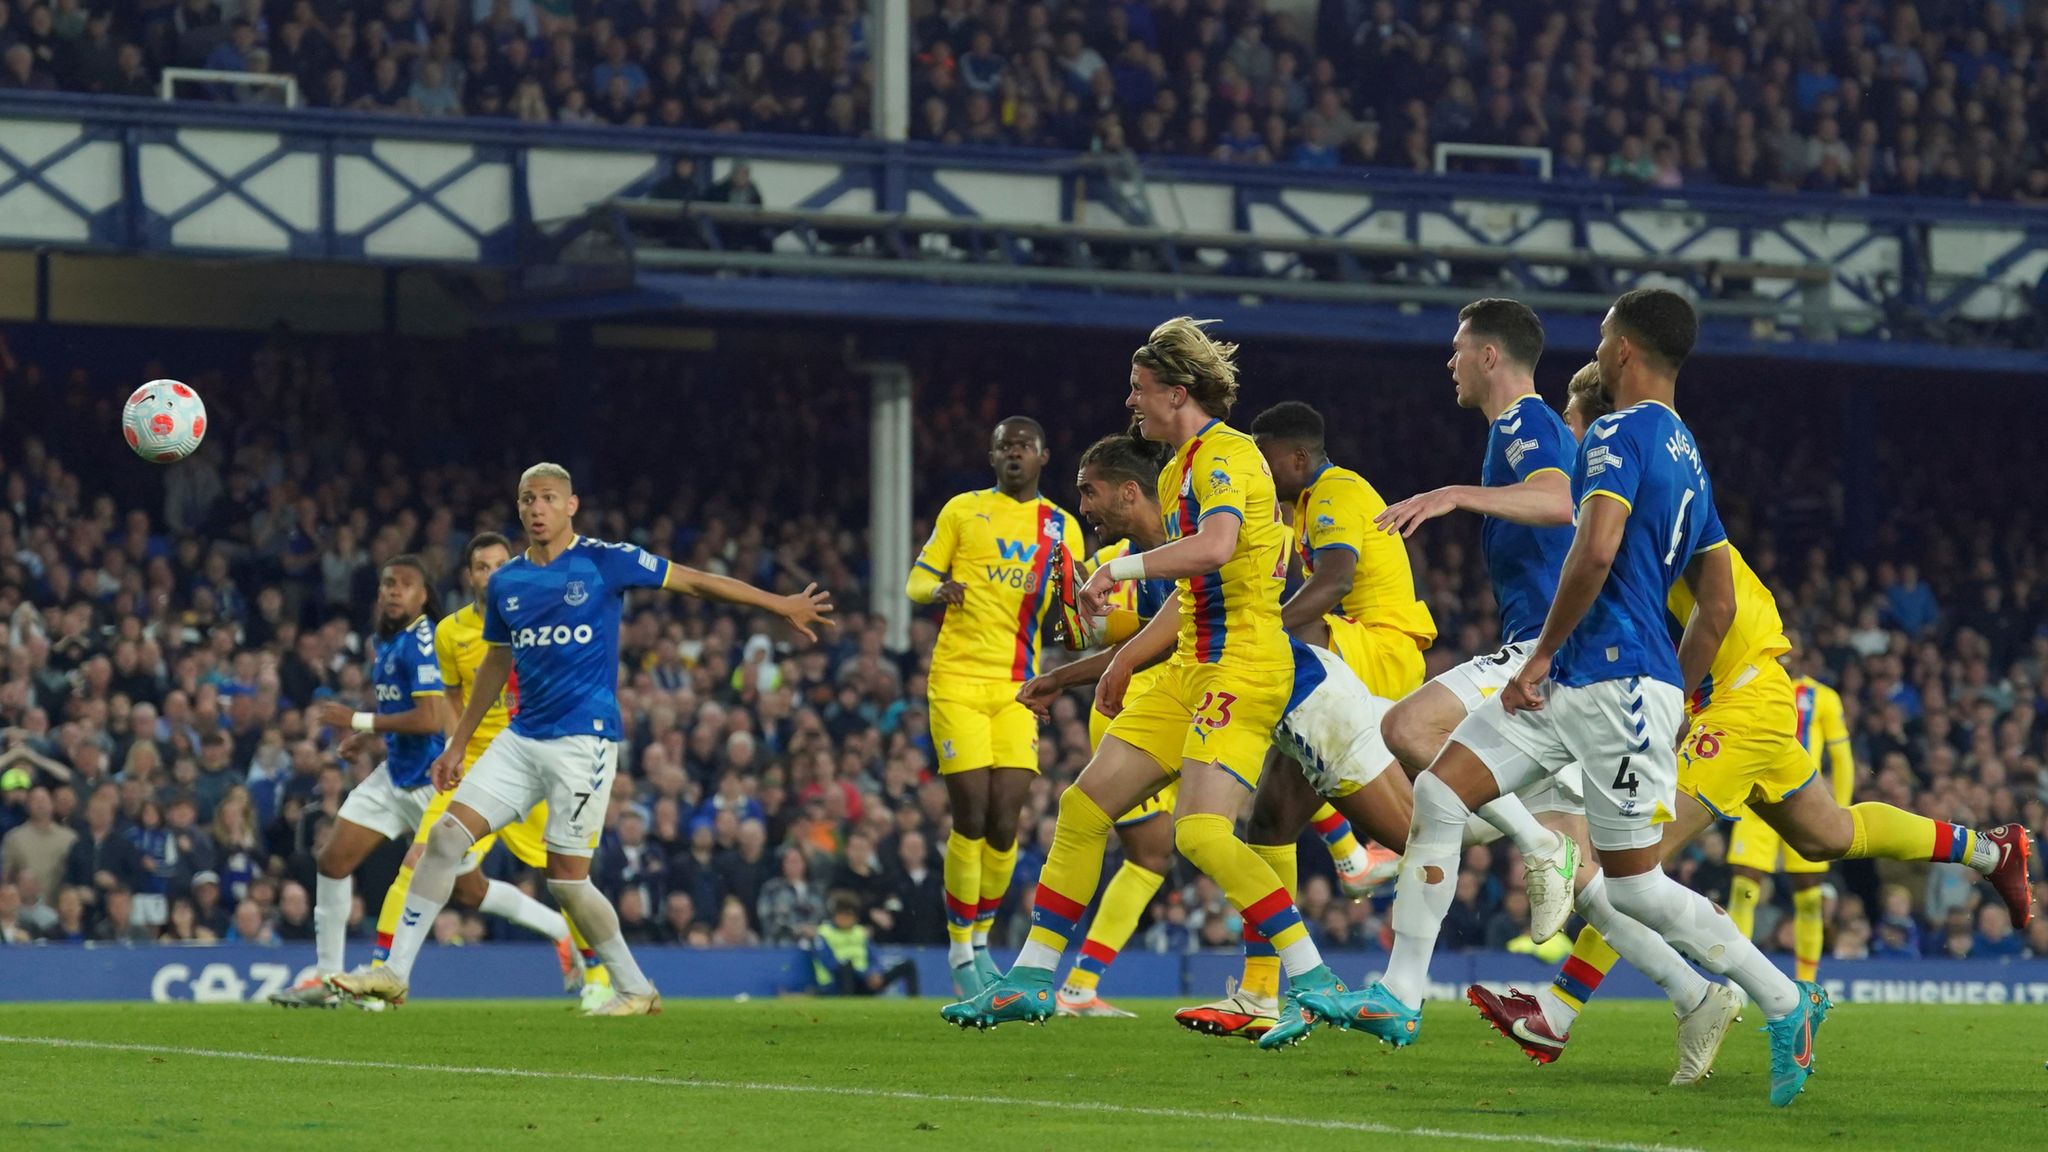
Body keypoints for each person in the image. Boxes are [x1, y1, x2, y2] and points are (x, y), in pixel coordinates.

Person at [1294, 289, 1832, 1108]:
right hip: (1599, 681)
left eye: (1606, 333)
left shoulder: (1614, 433)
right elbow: (1716, 606)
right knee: (1440, 787)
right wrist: (1674, 690)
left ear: (1622, 352)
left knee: (1635, 887)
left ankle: (1789, 1002)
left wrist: (1547, 654)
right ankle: (1400, 997)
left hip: (1602, 679)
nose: (1599, 342)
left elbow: (1594, 546)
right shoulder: (1689, 453)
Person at [1467, 359, 2033, 1070]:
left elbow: (1713, 608)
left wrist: (1669, 700)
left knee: (1636, 863)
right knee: (1830, 834)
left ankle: (1564, 1010)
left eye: (1577, 436)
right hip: (1758, 693)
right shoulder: (1657, 500)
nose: (1574, 456)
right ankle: (1992, 850)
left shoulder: (1639, 511)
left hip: (1736, 699)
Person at [942, 317, 1345, 1043]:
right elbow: (1192, 596)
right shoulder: (1173, 466)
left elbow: (1217, 547)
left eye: (1140, 389)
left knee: (1197, 832)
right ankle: (1032, 981)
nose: (1131, 402)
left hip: (1246, 662)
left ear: (1177, 392)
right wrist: (1125, 659)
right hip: (1191, 658)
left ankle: (1314, 980)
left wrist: (1116, 568)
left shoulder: (1224, 455)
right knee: (1083, 805)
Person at [332, 463, 832, 1016]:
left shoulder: (604, 559)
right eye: (527, 500)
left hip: (583, 743)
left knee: (567, 882)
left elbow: (695, 580)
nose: (537, 508)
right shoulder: (508, 583)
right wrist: (458, 744)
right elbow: (497, 662)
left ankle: (634, 985)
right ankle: (394, 972)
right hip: (521, 739)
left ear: (571, 506)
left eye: (548, 498)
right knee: (445, 839)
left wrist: (779, 604)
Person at [1172, 398, 1435, 1038]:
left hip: (1376, 652)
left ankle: (1530, 845)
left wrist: (1255, 631)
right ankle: (1262, 992)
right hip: (1343, 659)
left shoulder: (1336, 489)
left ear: (1297, 457)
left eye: (1265, 460)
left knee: (1425, 838)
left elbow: (1337, 579)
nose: (1257, 472)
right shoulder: (1291, 509)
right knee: (1269, 823)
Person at [1371, 298, 1586, 942]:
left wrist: (1454, 494)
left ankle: (1517, 842)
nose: (1450, 361)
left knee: (1408, 728)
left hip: (1549, 651)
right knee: (1608, 894)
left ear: (1489, 355)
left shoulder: (1524, 418)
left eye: (1459, 348)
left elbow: (1557, 500)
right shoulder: (1518, 432)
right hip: (1574, 662)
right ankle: (1724, 989)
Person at [273, 555, 575, 1008]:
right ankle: (327, 977)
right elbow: (404, 709)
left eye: (406, 585)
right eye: (388, 583)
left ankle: (558, 932)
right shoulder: (386, 640)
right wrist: (366, 735)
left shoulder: (425, 641)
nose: (394, 590)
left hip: (439, 781)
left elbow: (431, 717)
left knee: (463, 889)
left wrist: (360, 720)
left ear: (423, 596)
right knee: (332, 861)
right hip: (395, 775)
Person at [370, 531, 598, 1005]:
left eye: (499, 565)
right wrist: (454, 748)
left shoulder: (541, 619)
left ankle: (595, 974)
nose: (491, 575)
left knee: (566, 874)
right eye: (481, 567)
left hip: (534, 761)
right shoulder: (451, 632)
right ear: (469, 575)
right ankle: (380, 978)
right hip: (476, 767)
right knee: (421, 857)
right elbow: (452, 697)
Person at [905, 416, 1084, 996]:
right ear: (992, 455)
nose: (1014, 454)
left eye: (1024, 446)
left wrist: (1080, 616)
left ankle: (980, 939)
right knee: (972, 811)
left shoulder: (1062, 528)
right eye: (1005, 445)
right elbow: (915, 582)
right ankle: (961, 949)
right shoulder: (963, 511)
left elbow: (1069, 614)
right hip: (957, 680)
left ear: (1043, 455)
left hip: (1018, 686)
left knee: (1007, 820)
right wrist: (939, 589)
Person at [1722, 642, 1855, 981]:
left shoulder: (1823, 697)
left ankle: (1807, 984)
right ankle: (1736, 981)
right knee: (1744, 889)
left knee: (1810, 897)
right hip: (1755, 799)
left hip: (1804, 802)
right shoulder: (1749, 686)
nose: (1785, 658)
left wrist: (1840, 807)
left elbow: (1841, 758)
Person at [808, 890, 917, 996]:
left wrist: (874, 973)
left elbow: (873, 958)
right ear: (834, 915)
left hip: (865, 981)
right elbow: (830, 964)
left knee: (908, 965)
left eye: (849, 915)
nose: (845, 919)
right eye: (842, 914)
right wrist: (864, 975)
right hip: (835, 984)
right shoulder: (823, 933)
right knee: (846, 967)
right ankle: (847, 1003)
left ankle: (914, 1003)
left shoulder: (861, 933)